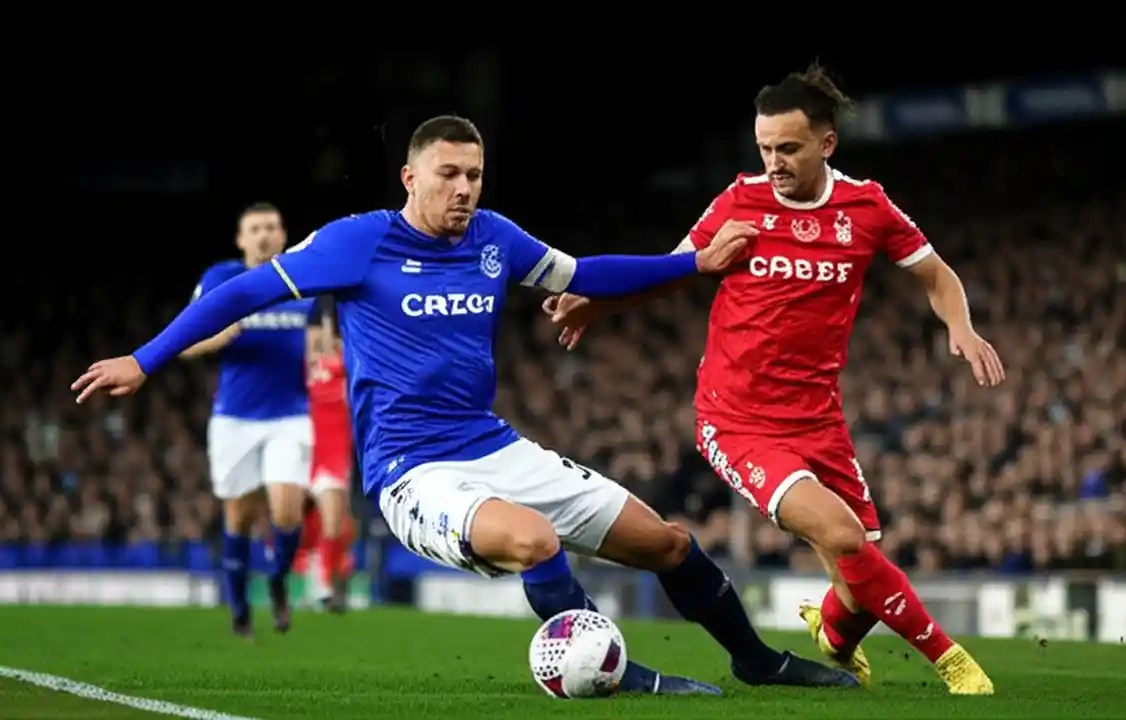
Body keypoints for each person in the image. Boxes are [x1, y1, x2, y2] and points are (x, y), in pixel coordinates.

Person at [72, 114, 856, 695]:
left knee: (672, 544)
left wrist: (692, 262)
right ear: (411, 179)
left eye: (474, 175)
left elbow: (585, 273)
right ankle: (613, 674)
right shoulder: (358, 242)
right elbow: (241, 293)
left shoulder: (494, 240)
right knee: (535, 540)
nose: (464, 188)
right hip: (411, 473)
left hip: (492, 445)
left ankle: (757, 661)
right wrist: (145, 360)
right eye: (449, 174)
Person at [542, 64, 1004, 695]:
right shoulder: (739, 201)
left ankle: (834, 633)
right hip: (737, 420)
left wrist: (961, 326)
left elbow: (936, 274)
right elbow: (675, 267)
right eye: (764, 148)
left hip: (819, 418)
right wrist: (596, 303)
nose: (774, 162)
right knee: (845, 538)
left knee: (858, 575)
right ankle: (952, 660)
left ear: (826, 143)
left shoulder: (866, 207)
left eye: (788, 148)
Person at [177, 201, 314, 639]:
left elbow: (324, 342)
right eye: (254, 228)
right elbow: (184, 342)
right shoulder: (221, 279)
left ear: (283, 233)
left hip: (292, 415)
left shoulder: (304, 280)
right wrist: (219, 336)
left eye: (271, 227)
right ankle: (238, 609)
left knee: (287, 510)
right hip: (235, 418)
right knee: (237, 518)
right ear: (241, 239)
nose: (263, 235)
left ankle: (276, 581)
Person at [300, 295, 356, 612]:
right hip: (301, 455)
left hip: (333, 457)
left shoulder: (345, 367)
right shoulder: (298, 372)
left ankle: (325, 581)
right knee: (291, 523)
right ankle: (313, 569)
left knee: (335, 523)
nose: (316, 341)